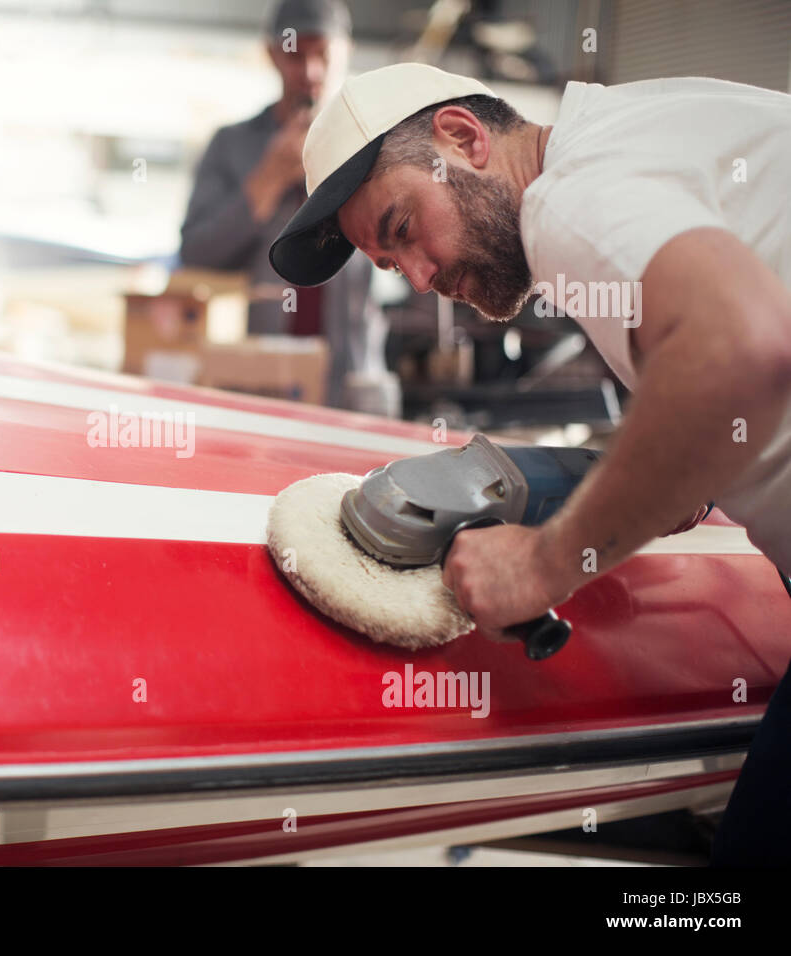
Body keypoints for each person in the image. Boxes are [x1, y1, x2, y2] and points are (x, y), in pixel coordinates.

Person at [268, 61, 791, 865]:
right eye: (389, 267)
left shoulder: (569, 198)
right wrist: (650, 477)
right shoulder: (637, 128)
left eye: (404, 229)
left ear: (463, 137)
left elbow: (741, 346)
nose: (420, 278)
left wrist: (545, 564)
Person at [179, 0, 391, 411]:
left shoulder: (375, 144)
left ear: (345, 54)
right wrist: (268, 179)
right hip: (257, 383)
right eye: (295, 55)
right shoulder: (231, 146)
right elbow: (195, 254)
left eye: (323, 55)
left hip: (353, 387)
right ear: (272, 55)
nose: (310, 72)